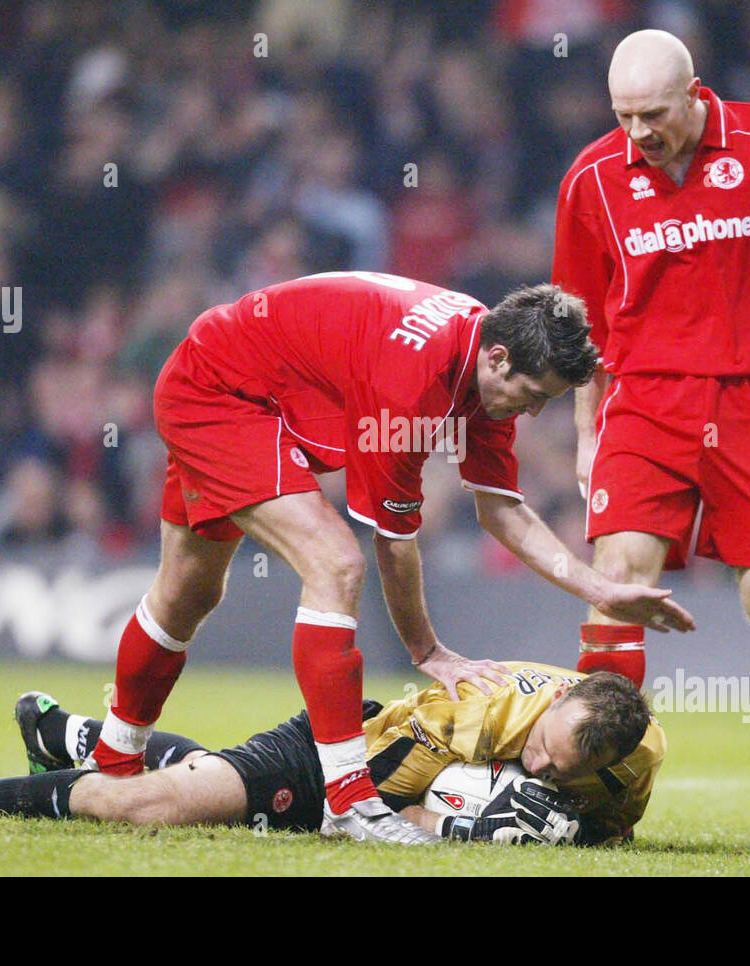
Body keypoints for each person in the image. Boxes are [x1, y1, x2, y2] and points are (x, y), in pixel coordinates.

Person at [95, 271, 694, 845]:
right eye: (534, 397)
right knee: (336, 564)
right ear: (500, 360)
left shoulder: (483, 366)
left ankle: (114, 760)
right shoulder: (412, 384)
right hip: (220, 395)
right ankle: (351, 800)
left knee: (188, 592)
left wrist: (597, 589)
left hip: (252, 385)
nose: (533, 413)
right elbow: (393, 541)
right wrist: (426, 650)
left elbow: (501, 509)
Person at [551, 30, 750, 846]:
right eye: (624, 117)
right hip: (645, 400)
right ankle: (597, 799)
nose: (639, 134)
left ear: (696, 94)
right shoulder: (592, 177)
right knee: (616, 581)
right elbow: (581, 323)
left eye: (654, 115)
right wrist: (588, 434)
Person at [0, 663, 665, 847]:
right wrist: (432, 824)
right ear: (552, 706)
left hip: (354, 780)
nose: (542, 771)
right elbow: (390, 795)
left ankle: (70, 737)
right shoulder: (488, 713)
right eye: (542, 754)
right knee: (147, 806)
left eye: (562, 775)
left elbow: (612, 825)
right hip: (336, 755)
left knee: (208, 789)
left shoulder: (632, 761)